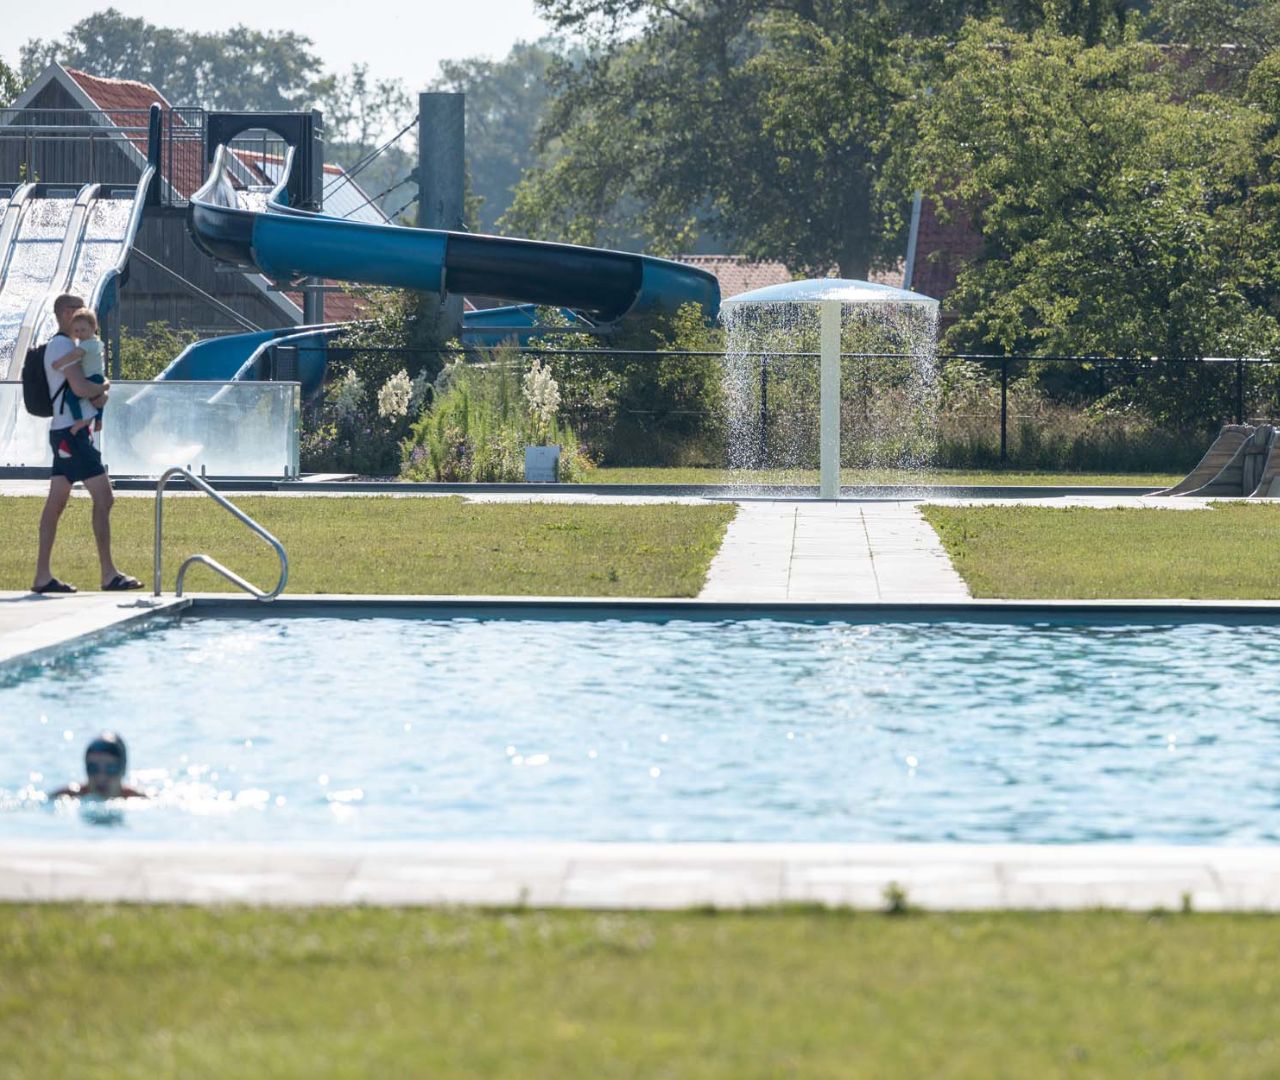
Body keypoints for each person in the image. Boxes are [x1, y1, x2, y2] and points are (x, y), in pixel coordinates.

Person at [31, 292, 142, 595]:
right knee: (104, 498)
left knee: (56, 504)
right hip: (72, 434)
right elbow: (80, 387)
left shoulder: (68, 345)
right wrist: (104, 387)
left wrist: (98, 394)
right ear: (66, 313)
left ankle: (42, 576)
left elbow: (84, 389)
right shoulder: (64, 344)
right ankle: (108, 574)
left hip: (65, 431)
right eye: (78, 309)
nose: (83, 315)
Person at [51, 307, 106, 436]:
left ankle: (79, 420)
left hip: (91, 379)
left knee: (71, 397)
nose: (79, 334)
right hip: (98, 378)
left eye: (83, 330)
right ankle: (98, 420)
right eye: (76, 331)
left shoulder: (86, 344)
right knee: (97, 400)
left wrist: (59, 363)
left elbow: (74, 355)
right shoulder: (96, 342)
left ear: (93, 328)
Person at [49, 732, 146, 800]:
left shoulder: (140, 799)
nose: (101, 777)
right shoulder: (67, 796)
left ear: (123, 770)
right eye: (93, 769)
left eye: (110, 769)